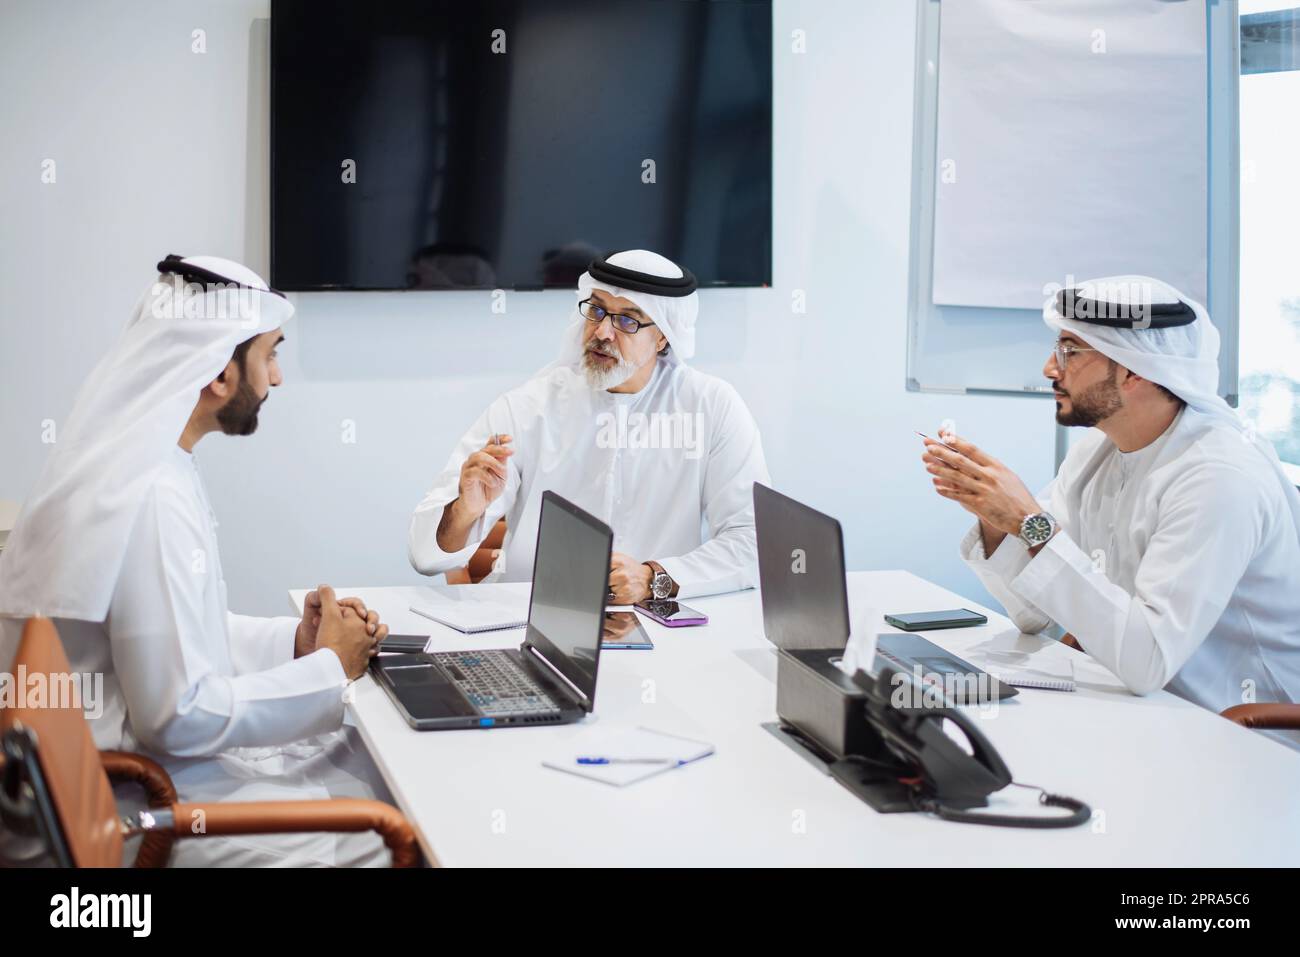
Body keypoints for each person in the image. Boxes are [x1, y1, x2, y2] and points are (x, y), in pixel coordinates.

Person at [0, 255, 395, 865]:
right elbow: (176, 718)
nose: (277, 379)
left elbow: (168, 635)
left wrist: (295, 642)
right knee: (392, 827)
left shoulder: (141, 459)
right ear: (218, 373)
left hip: (128, 766)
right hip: (126, 805)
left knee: (362, 759)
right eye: (270, 355)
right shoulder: (150, 490)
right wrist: (328, 670)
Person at [921, 276, 1300, 746]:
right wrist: (993, 515)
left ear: (1134, 370)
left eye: (1069, 351)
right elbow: (1032, 612)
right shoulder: (1097, 453)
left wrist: (1027, 521)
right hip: (1136, 710)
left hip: (1237, 741)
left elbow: (1148, 661)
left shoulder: (1219, 477)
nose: (1049, 367)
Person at [409, 249, 769, 603]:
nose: (603, 332)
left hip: (658, 627)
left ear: (663, 337)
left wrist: (653, 578)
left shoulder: (712, 407)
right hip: (525, 618)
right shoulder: (527, 407)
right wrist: (464, 510)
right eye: (596, 310)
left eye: (628, 320)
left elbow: (752, 542)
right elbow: (424, 557)